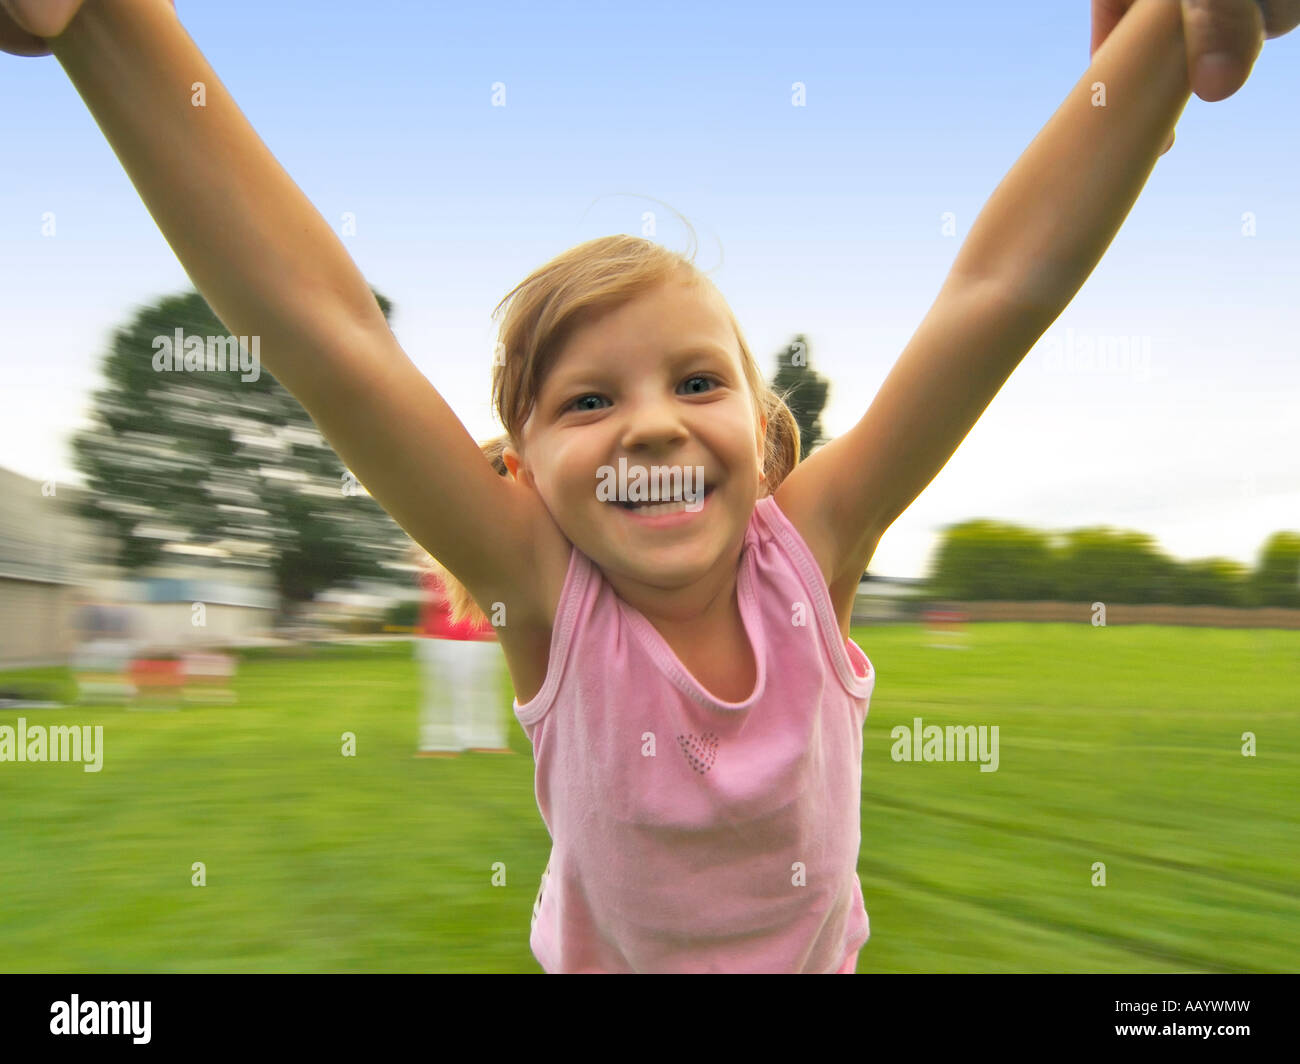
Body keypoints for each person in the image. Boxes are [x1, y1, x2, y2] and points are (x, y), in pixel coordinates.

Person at [3, 0, 1288, 973]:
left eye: (695, 382)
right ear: (517, 471)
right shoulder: (544, 596)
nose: (650, 428)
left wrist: (1163, 52)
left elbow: (994, 293)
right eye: (586, 400)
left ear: (766, 431)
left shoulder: (813, 551)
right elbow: (326, 334)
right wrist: (112, 31)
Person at [415, 567, 508, 757]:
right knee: (444, 692)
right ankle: (441, 742)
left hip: (475, 633)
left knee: (481, 691)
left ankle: (483, 739)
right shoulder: (434, 567)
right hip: (443, 635)